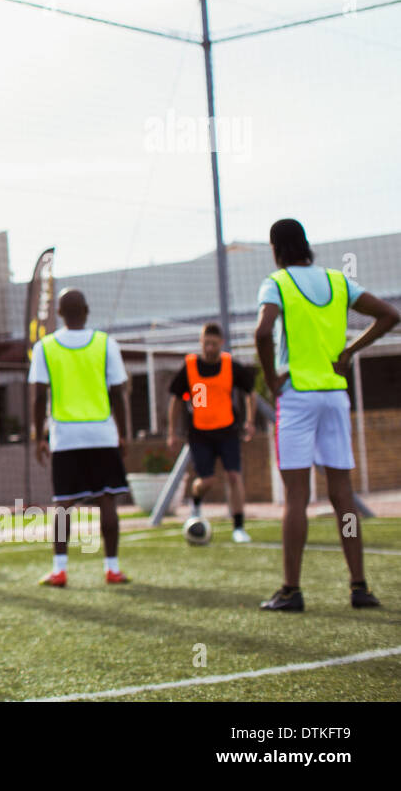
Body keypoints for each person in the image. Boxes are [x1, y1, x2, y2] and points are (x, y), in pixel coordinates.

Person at [254, 219, 397, 612]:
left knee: (296, 497)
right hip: (334, 397)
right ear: (306, 245)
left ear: (276, 249)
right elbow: (388, 315)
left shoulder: (276, 282)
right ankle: (359, 586)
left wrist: (271, 379)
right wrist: (350, 351)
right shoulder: (338, 281)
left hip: (297, 396)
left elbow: (262, 332)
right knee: (342, 494)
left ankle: (291, 590)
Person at [29, 289, 131, 586]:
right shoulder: (106, 343)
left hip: (65, 436)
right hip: (102, 433)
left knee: (63, 504)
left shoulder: (44, 346)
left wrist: (40, 437)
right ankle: (112, 568)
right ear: (87, 310)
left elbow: (38, 396)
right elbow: (118, 392)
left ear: (59, 313)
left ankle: (59, 570)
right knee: (107, 499)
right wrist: (122, 433)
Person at [167, 322, 257, 542]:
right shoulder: (189, 367)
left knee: (234, 476)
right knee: (205, 481)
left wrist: (250, 420)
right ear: (201, 342)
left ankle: (238, 527)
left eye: (214, 344)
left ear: (221, 344)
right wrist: (172, 431)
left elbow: (250, 392)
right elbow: (176, 400)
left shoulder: (230, 365)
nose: (209, 348)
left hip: (227, 431)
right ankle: (195, 505)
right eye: (206, 343)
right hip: (200, 433)